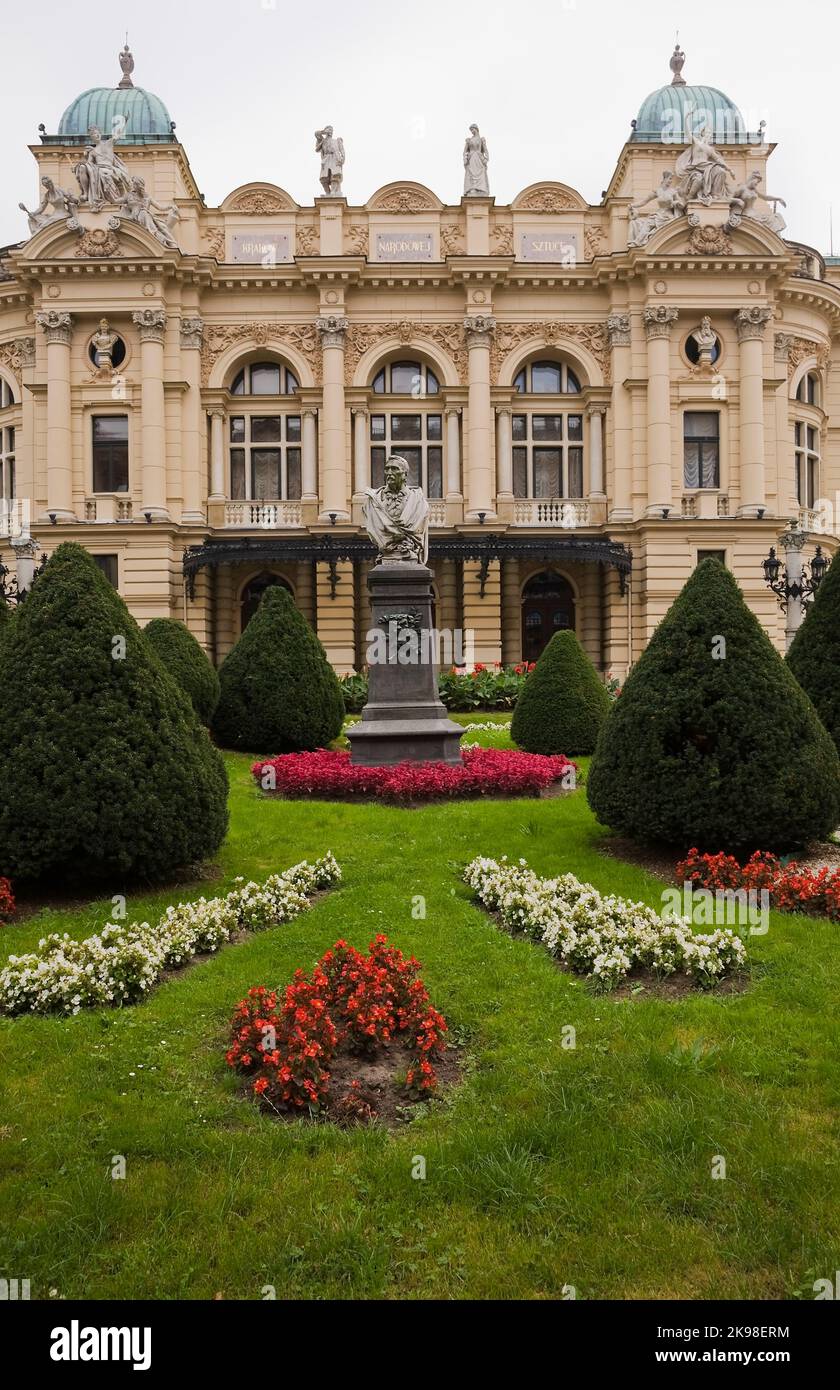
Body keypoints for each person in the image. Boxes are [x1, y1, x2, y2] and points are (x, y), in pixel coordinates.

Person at [363, 455, 429, 565]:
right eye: (387, 469)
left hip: (409, 553)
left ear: (405, 474)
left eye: (394, 469)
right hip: (386, 555)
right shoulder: (372, 503)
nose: (389, 473)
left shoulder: (419, 503)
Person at [315, 127, 345, 197]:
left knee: (335, 175)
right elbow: (316, 133)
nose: (330, 131)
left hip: (335, 157)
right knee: (323, 178)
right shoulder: (323, 141)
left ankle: (333, 192)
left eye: (331, 130)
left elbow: (342, 150)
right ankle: (327, 193)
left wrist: (342, 159)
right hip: (326, 159)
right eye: (329, 130)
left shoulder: (337, 140)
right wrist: (323, 132)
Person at [463, 125, 490, 197]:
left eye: (473, 129)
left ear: (476, 129)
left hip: (479, 158)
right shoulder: (469, 140)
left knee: (481, 172)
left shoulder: (481, 139)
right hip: (471, 158)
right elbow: (465, 151)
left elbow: (485, 150)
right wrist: (465, 159)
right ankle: (472, 188)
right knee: (471, 173)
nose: (472, 131)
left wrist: (486, 159)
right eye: (471, 130)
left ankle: (481, 189)